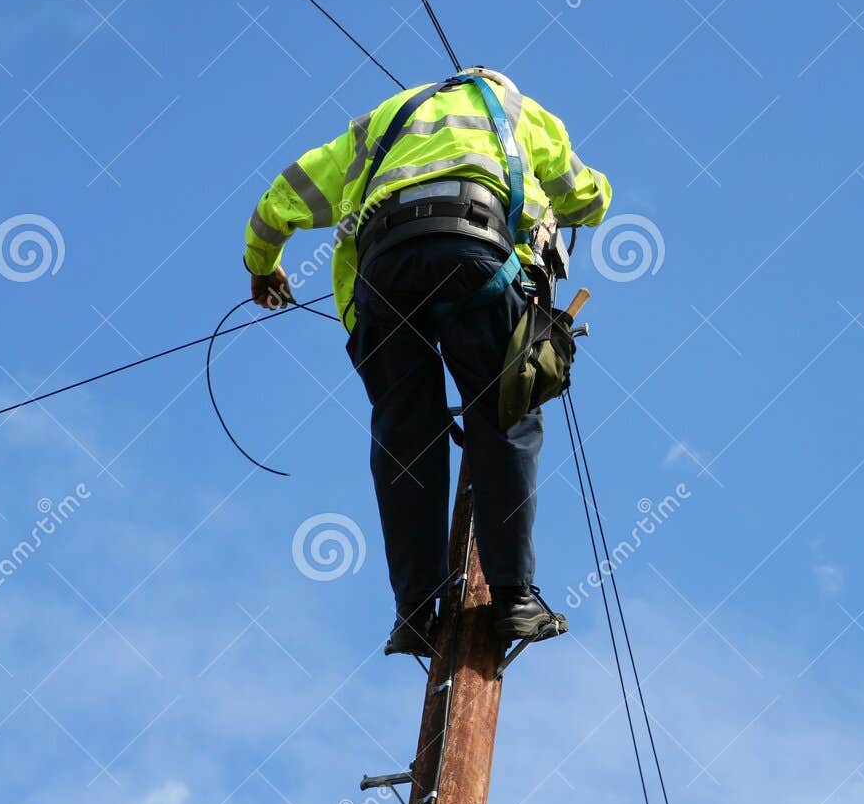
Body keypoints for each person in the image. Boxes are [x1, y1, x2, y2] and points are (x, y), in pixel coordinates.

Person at [243, 67, 611, 656]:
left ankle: (414, 613)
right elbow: (582, 194)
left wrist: (262, 263)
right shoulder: (517, 111)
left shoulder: (375, 127)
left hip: (382, 276)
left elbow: (281, 198)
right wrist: (596, 196)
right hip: (475, 253)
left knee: (405, 436)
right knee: (506, 414)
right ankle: (514, 599)